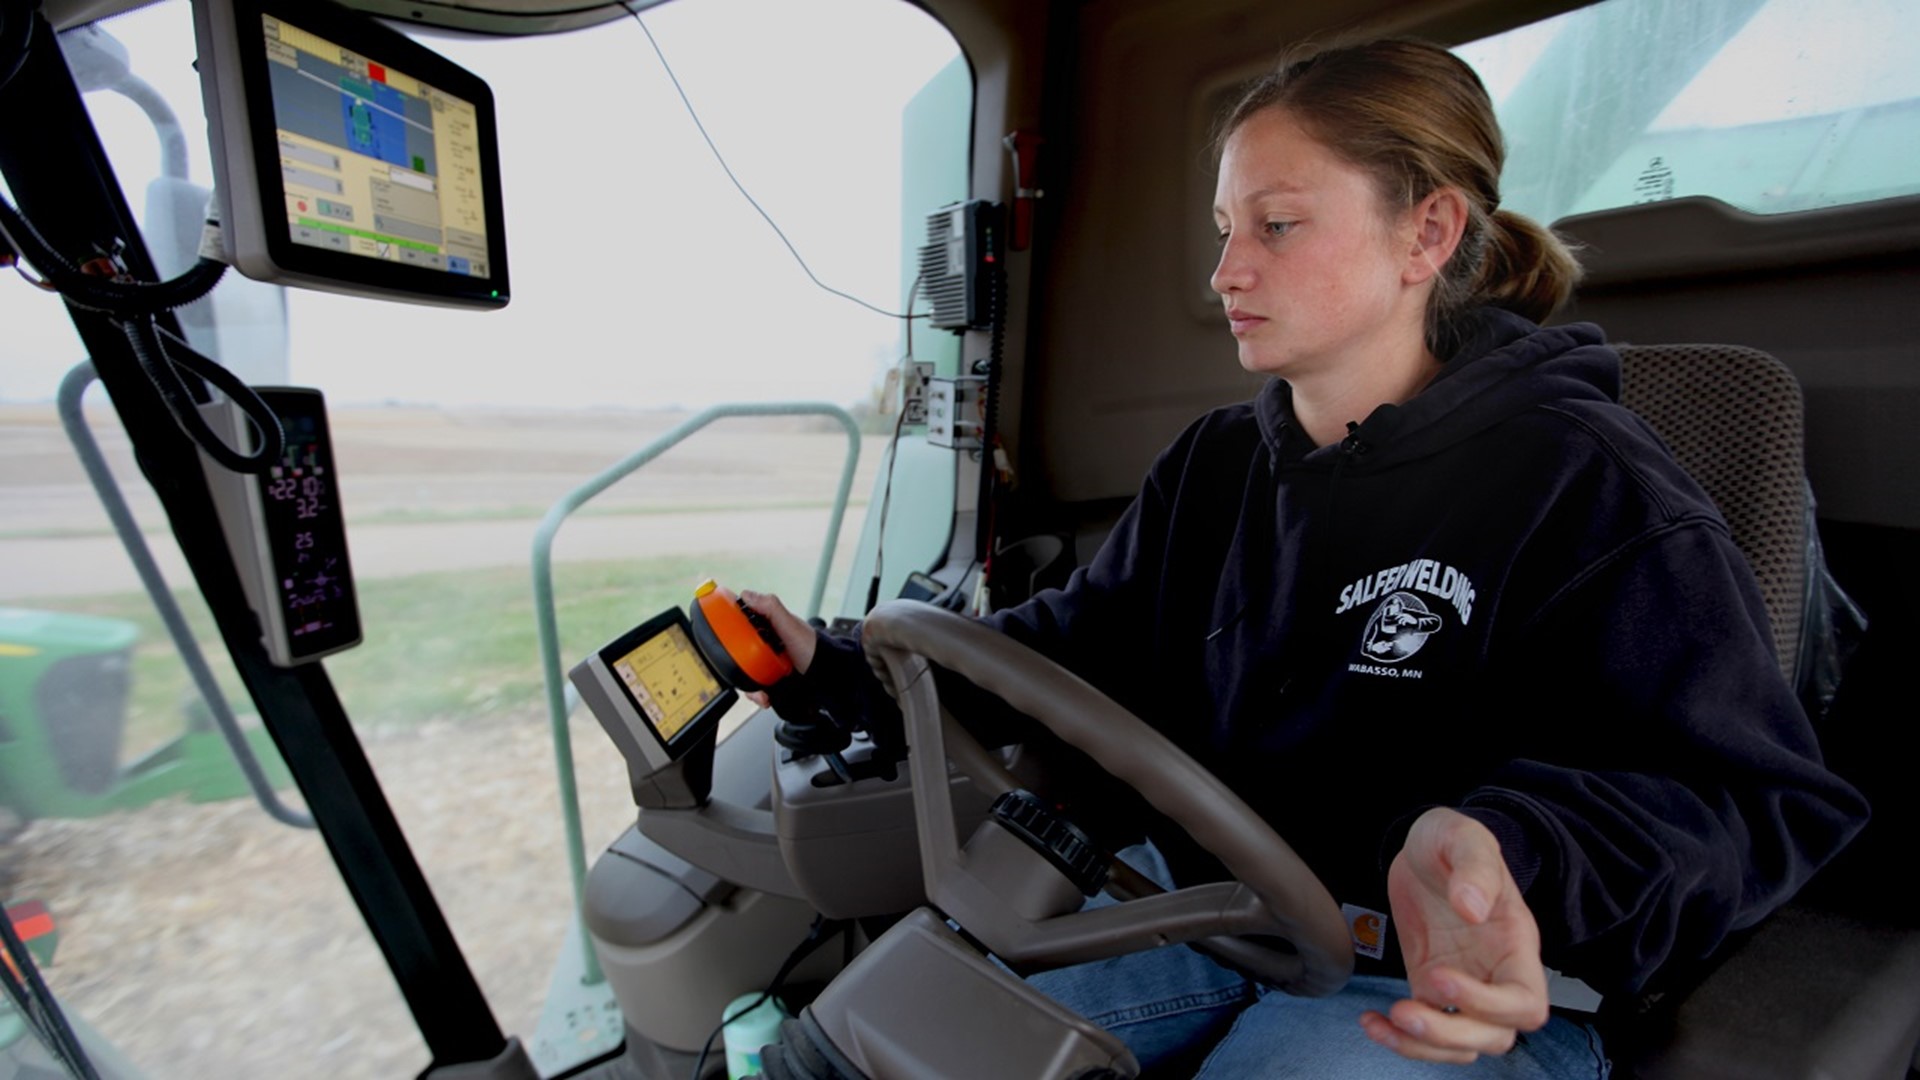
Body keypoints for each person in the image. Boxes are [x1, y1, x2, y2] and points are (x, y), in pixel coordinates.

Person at [742, 38, 1868, 1077]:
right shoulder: (1218, 466)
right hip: (1204, 917)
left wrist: (1515, 850)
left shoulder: (1588, 482)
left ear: (1427, 234)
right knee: (853, 1050)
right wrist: (837, 666)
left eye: (1276, 226)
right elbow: (1072, 652)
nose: (1225, 272)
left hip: (1437, 986)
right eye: (1224, 229)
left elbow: (1751, 801)